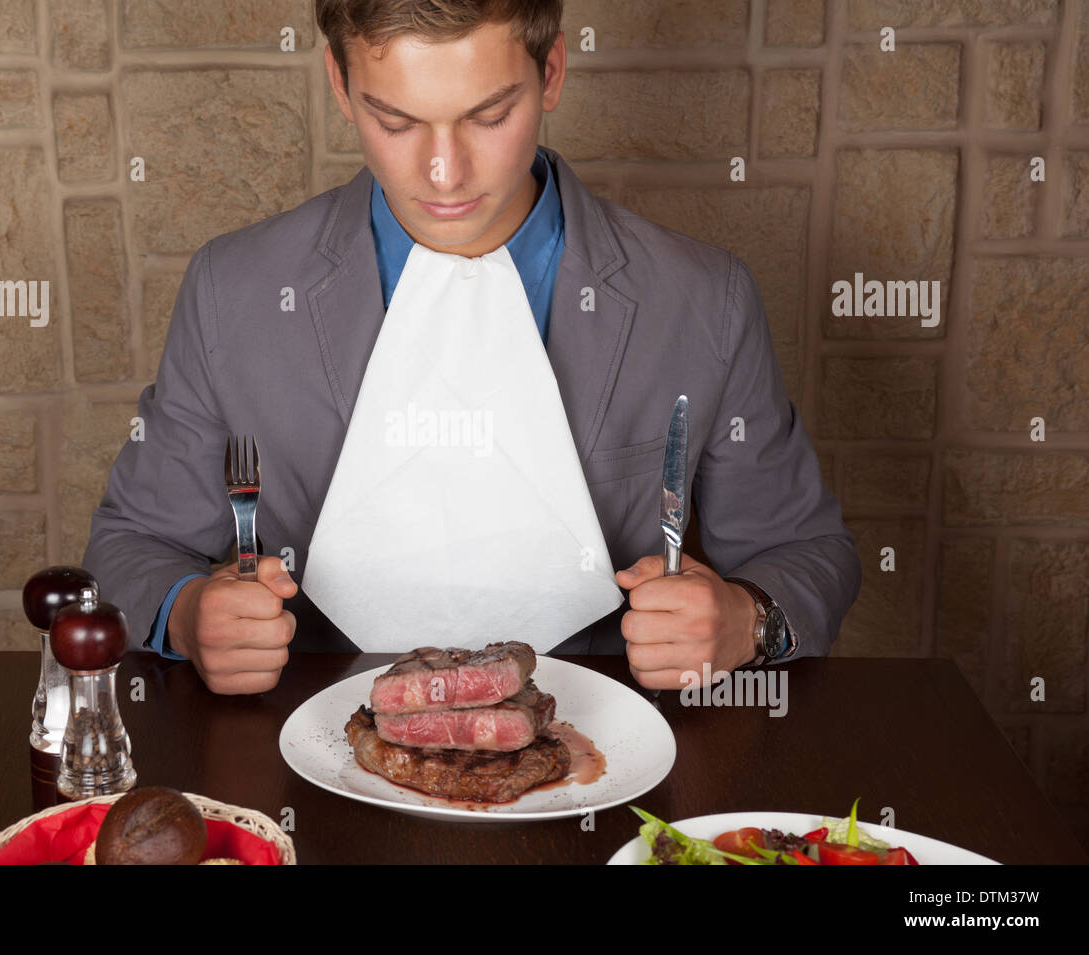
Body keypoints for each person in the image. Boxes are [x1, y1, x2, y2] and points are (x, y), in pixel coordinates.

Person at [82, 0, 860, 695]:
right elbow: (131, 544)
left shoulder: (702, 299)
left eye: (489, 116)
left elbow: (807, 549)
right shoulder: (234, 290)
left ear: (551, 70)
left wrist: (748, 619)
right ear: (339, 83)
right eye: (395, 121)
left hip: (597, 774)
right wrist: (187, 617)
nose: (444, 172)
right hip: (309, 777)